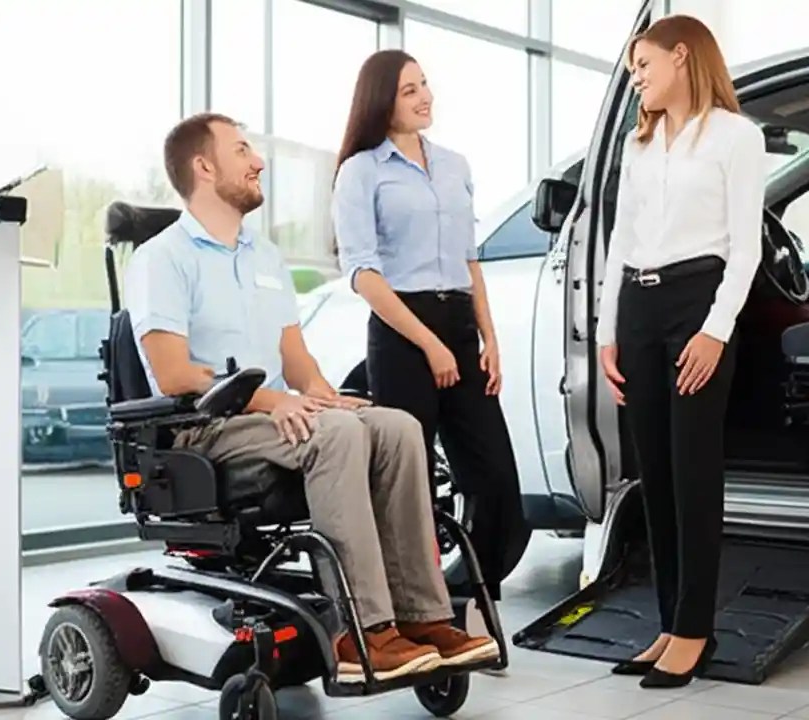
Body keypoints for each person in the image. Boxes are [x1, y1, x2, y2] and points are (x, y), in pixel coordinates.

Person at [123, 112, 499, 684]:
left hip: (273, 418)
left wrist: (329, 397)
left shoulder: (265, 256)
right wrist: (278, 404)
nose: (258, 161)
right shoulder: (163, 257)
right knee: (338, 434)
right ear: (204, 167)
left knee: (391, 425)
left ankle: (423, 619)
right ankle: (362, 633)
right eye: (242, 150)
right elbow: (175, 375)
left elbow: (298, 365)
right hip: (204, 430)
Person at [330, 49, 527, 635]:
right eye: (409, 89)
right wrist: (428, 344)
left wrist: (487, 337)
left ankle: (470, 594)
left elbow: (470, 260)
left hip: (460, 325)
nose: (425, 96)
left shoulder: (454, 164)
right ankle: (415, 612)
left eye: (425, 84)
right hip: (400, 331)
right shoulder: (361, 171)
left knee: (494, 479)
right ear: (381, 102)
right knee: (408, 485)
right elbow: (363, 273)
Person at [595, 16, 766, 689]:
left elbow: (746, 247)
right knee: (657, 477)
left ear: (682, 56)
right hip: (638, 307)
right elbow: (618, 244)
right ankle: (669, 624)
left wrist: (716, 329)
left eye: (643, 64)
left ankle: (695, 629)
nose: (637, 76)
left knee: (694, 475)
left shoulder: (736, 137)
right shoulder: (640, 143)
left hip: (698, 303)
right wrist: (608, 331)